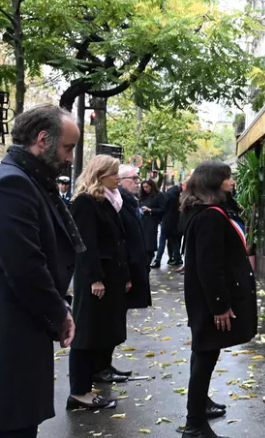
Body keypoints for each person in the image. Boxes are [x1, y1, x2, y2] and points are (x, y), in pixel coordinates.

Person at [0, 104, 83, 438]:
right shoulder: (12, 185)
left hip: (13, 336)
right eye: (67, 147)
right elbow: (25, 268)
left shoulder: (22, 180)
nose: (69, 158)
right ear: (42, 139)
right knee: (5, 430)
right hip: (5, 340)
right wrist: (60, 313)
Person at [181, 161, 258, 438]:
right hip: (209, 301)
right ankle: (194, 425)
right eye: (227, 178)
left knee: (203, 353)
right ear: (215, 182)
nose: (233, 182)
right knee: (205, 356)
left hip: (203, 299)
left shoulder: (203, 211)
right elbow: (209, 266)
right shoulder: (211, 216)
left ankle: (200, 406)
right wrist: (220, 306)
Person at [67, 155, 131, 410]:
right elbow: (85, 245)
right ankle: (79, 392)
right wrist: (95, 278)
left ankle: (89, 382)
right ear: (99, 175)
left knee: (98, 333)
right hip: (95, 281)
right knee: (86, 335)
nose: (118, 177)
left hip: (108, 279)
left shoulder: (104, 201)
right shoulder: (85, 202)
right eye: (113, 173)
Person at [118, 165, 153, 310]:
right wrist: (126, 276)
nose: (138, 181)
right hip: (125, 271)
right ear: (120, 180)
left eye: (137, 178)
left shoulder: (130, 201)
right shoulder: (118, 202)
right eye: (133, 178)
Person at [156, 182, 184, 267]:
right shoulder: (178, 197)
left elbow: (163, 208)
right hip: (175, 221)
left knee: (162, 241)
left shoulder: (167, 195)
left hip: (166, 220)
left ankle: (158, 259)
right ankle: (177, 257)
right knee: (174, 240)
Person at [139, 179, 165, 268]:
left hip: (151, 221)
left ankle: (149, 256)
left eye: (147, 187)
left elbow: (162, 209)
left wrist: (150, 210)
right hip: (142, 221)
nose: (145, 189)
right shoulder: (142, 196)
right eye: (144, 187)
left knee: (149, 241)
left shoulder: (158, 196)